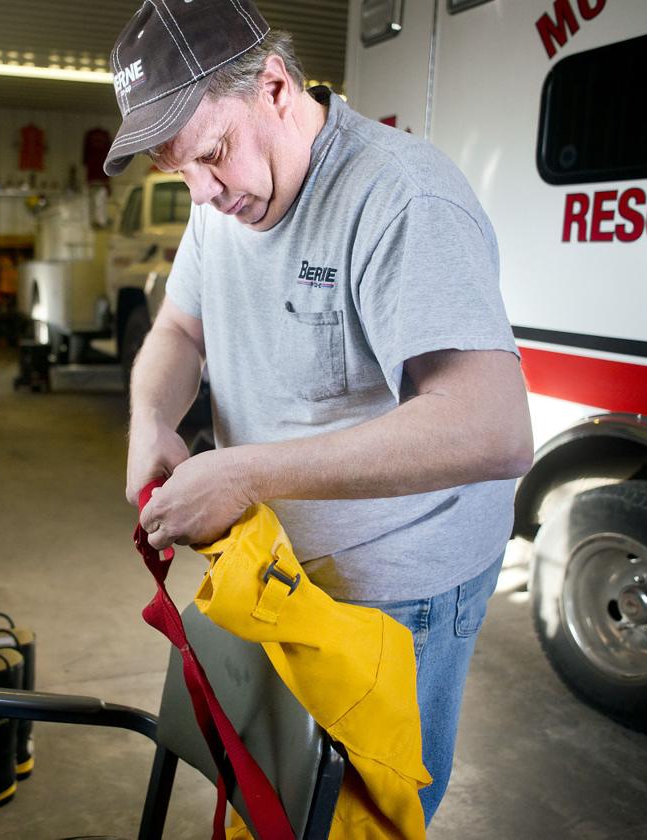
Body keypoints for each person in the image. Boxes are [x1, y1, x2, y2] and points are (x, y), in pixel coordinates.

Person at [106, 0, 533, 822]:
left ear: (273, 85)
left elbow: (493, 427)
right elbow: (178, 330)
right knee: (285, 802)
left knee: (363, 821)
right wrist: (151, 420)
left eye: (212, 154)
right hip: (281, 572)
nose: (203, 191)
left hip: (399, 592)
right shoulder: (220, 199)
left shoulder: (399, 196)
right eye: (179, 172)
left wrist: (244, 473)